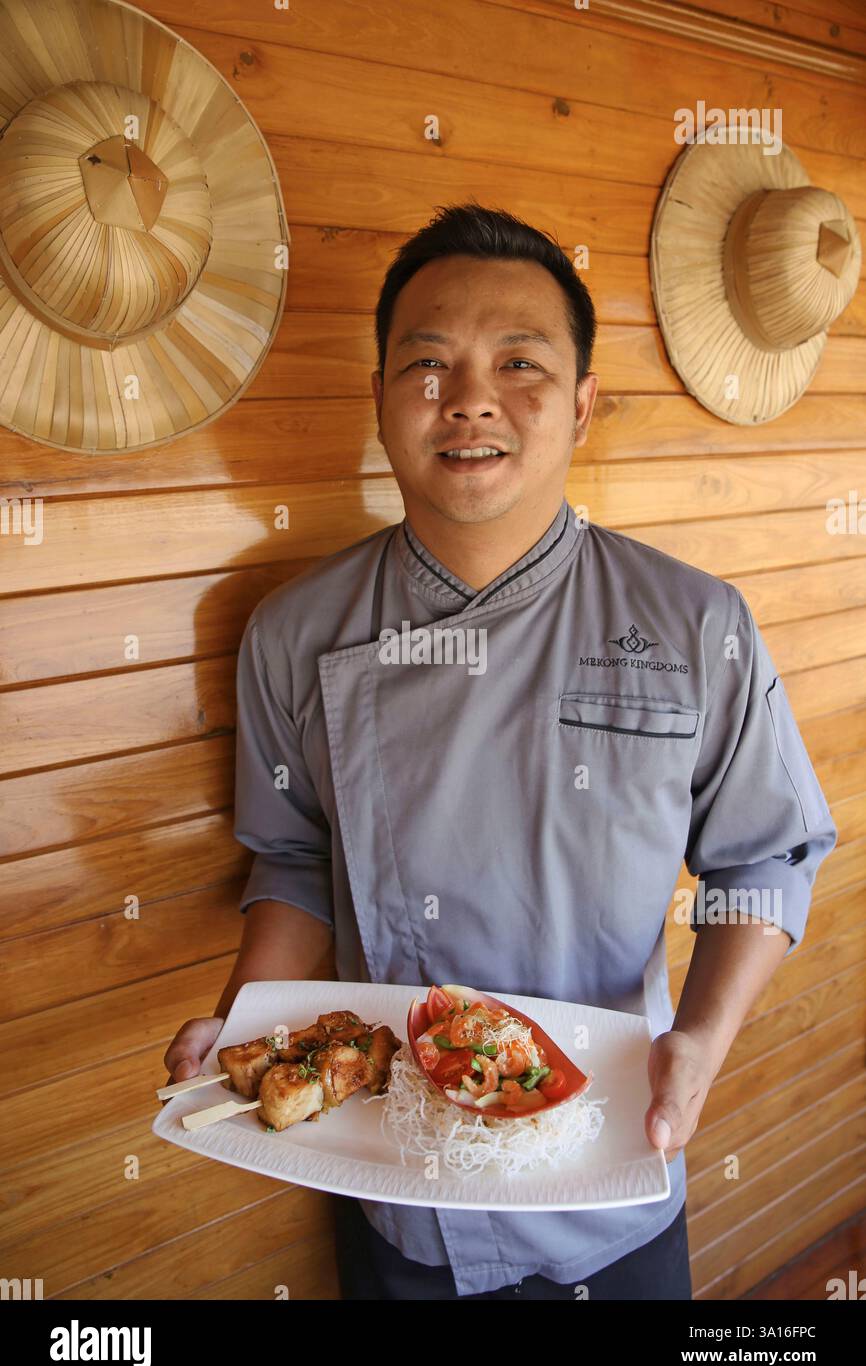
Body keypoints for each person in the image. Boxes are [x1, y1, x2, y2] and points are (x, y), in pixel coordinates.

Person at [164, 203, 838, 1300]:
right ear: (380, 403)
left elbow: (764, 860)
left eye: (518, 361)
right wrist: (251, 1027)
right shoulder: (295, 632)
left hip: (612, 1174)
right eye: (425, 364)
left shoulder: (690, 622)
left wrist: (703, 1039)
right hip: (395, 1188)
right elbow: (291, 861)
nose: (469, 397)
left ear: (579, 403)